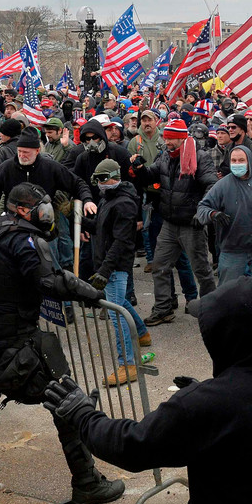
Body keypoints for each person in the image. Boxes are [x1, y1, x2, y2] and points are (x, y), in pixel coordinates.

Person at [44, 277, 252, 504]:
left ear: (220, 336)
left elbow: (131, 445)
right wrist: (206, 402)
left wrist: (83, 416)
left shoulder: (202, 406)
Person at [0, 183, 124, 504]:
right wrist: (89, 293)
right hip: (13, 342)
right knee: (66, 401)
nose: (45, 215)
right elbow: (49, 280)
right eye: (40, 209)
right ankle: (87, 482)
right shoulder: (24, 238)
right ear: (23, 210)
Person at [140, 119, 217, 326]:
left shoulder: (200, 157)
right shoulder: (165, 156)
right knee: (160, 266)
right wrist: (138, 167)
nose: (167, 142)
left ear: (182, 138)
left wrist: (201, 212)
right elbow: (150, 175)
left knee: (201, 269)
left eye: (172, 138)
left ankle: (211, 309)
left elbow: (212, 185)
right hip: (169, 222)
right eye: (166, 138)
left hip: (192, 224)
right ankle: (164, 308)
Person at [87, 159, 151, 385]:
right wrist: (81, 221)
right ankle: (142, 333)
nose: (100, 184)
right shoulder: (108, 199)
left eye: (103, 179)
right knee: (120, 303)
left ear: (115, 177)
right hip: (109, 263)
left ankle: (129, 364)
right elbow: (103, 229)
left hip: (115, 266)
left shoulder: (123, 203)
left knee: (115, 312)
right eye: (98, 180)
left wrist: (105, 270)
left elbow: (122, 240)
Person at [196, 144, 252, 288]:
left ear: (249, 161)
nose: (237, 164)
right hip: (231, 250)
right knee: (227, 294)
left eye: (241, 160)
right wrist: (213, 214)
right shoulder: (222, 185)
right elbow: (202, 208)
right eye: (234, 161)